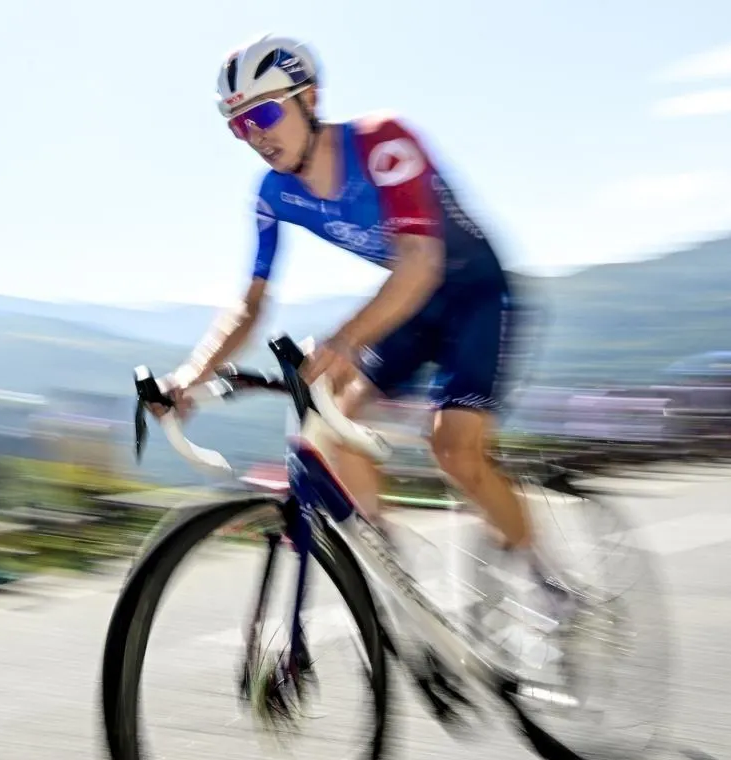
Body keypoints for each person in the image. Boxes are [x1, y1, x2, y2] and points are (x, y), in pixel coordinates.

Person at [158, 33, 575, 640]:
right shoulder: (275, 195)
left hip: (476, 294)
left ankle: (546, 581)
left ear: (310, 98)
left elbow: (419, 261)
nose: (257, 135)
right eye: (239, 127)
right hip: (412, 306)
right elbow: (249, 305)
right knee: (335, 428)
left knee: (455, 449)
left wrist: (343, 341)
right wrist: (187, 378)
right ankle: (401, 586)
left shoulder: (383, 142)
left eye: (266, 113)